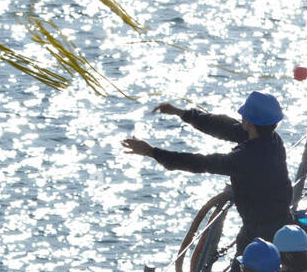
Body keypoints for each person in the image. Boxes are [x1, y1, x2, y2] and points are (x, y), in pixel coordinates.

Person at [122, 92, 292, 255]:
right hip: (282, 220)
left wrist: (152, 152)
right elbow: (222, 126)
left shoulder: (246, 157)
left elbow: (199, 163)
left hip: (260, 230)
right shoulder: (270, 139)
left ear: (249, 122)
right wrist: (181, 113)